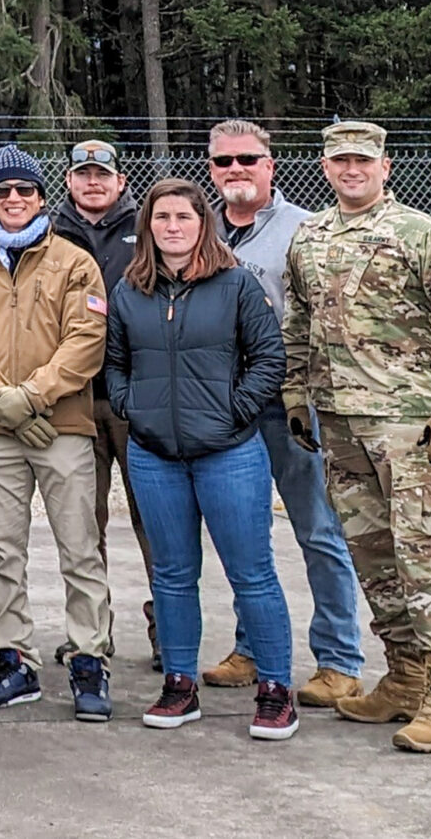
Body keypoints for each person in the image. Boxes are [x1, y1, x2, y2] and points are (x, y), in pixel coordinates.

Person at [283, 118, 431, 753]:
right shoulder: (311, 237)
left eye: (363, 161)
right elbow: (298, 319)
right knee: (373, 556)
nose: (351, 170)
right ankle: (402, 676)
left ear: (384, 166)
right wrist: (297, 393)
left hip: (410, 427)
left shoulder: (418, 234)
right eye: (340, 161)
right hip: (341, 424)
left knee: (426, 557)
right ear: (325, 167)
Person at [103, 177, 296, 740]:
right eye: (161, 218)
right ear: (148, 227)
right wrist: (133, 409)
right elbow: (114, 364)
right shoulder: (128, 291)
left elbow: (268, 359)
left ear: (202, 224)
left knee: (252, 572)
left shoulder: (236, 285)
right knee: (171, 573)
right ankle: (180, 684)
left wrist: (233, 412)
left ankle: (276, 689)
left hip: (229, 453)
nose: (172, 227)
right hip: (155, 456)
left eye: (183, 217)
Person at [0, 144, 113, 719]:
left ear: (41, 198)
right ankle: (14, 659)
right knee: (3, 548)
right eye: (3, 192)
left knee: (79, 547)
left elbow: (86, 341)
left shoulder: (74, 261)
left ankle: (89, 658)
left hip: (62, 425)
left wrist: (31, 398)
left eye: (25, 191)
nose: (14, 200)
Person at [204, 117, 365, 704]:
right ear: (212, 169)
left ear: (270, 166)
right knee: (245, 536)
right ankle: (253, 647)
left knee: (319, 531)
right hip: (226, 406)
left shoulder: (307, 231)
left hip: (293, 404)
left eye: (248, 159)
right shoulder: (201, 232)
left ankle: (339, 658)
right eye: (224, 162)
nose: (236, 170)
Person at [57, 138, 151, 654]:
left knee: (155, 521)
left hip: (135, 396)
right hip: (73, 396)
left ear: (121, 182)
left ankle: (168, 631)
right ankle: (93, 635)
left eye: (102, 174)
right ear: (69, 181)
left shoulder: (149, 228)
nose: (93, 182)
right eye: (83, 173)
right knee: (81, 525)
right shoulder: (48, 234)